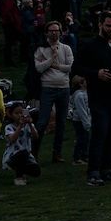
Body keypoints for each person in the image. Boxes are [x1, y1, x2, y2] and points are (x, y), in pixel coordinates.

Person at [72, 11, 111, 186]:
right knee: (99, 133)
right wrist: (96, 73)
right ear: (100, 25)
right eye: (109, 25)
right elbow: (77, 67)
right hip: (98, 97)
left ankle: (107, 169)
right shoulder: (89, 46)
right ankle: (93, 171)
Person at [33, 21, 74, 164]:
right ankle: (34, 153)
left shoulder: (66, 48)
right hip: (47, 87)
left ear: (60, 32)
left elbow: (69, 67)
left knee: (61, 122)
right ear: (46, 33)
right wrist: (51, 59)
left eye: (57, 30)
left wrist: (54, 65)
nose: (54, 33)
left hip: (64, 87)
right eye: (51, 30)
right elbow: (38, 68)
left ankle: (57, 153)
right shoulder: (41, 49)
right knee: (42, 121)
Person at [2, 104, 40, 186]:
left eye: (21, 113)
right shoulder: (9, 127)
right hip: (13, 155)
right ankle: (19, 177)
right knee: (21, 154)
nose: (19, 115)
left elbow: (36, 137)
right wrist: (20, 126)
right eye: (16, 113)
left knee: (36, 171)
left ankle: (22, 172)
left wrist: (30, 124)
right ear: (11, 115)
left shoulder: (29, 125)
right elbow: (12, 139)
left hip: (27, 154)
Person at [69, 76, 91, 165]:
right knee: (81, 139)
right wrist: (86, 123)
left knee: (86, 139)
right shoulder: (79, 95)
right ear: (80, 84)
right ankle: (77, 158)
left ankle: (84, 156)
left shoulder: (85, 93)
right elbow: (81, 110)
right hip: (79, 120)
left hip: (85, 119)